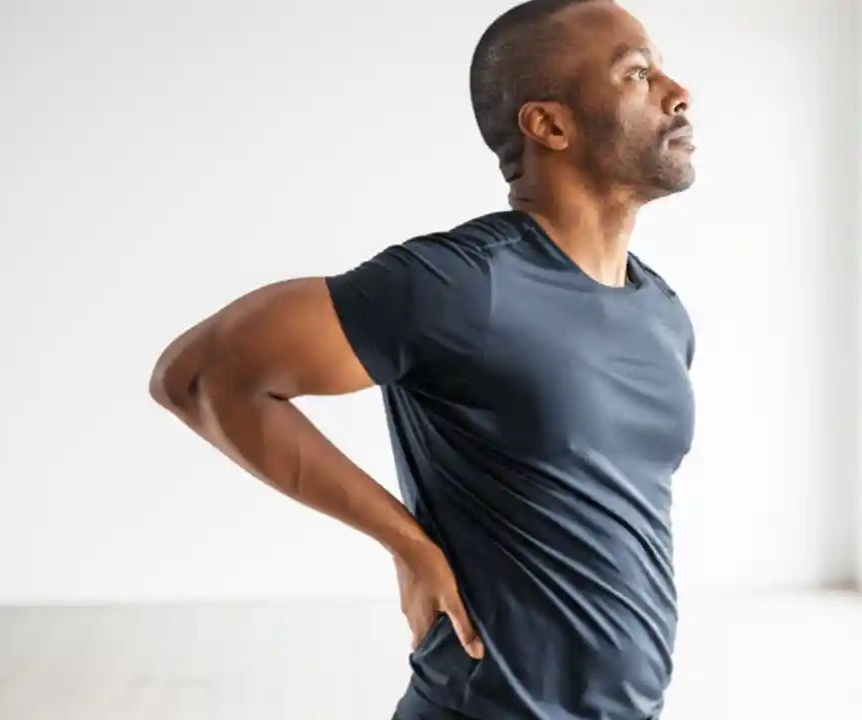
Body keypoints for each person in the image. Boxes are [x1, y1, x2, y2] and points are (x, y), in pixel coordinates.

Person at [148, 0, 696, 717]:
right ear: (549, 124)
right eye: (636, 73)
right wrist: (407, 543)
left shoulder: (660, 310)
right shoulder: (464, 284)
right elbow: (199, 376)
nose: (676, 92)